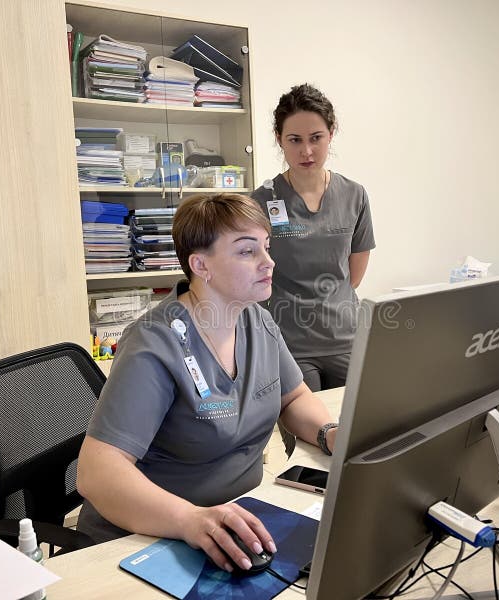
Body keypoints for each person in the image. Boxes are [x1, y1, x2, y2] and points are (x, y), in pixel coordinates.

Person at [76, 193, 338, 574]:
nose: (269, 262)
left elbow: (293, 396)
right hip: (150, 539)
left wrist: (330, 433)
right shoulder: (154, 342)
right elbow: (97, 473)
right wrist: (190, 520)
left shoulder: (257, 322)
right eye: (247, 251)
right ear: (201, 265)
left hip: (239, 523)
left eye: (266, 247)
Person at [251, 83, 376, 394]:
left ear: (331, 133)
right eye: (295, 140)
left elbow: (354, 276)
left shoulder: (354, 195)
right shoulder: (261, 201)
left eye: (316, 138)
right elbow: (252, 272)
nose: (306, 151)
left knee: (353, 431)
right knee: (309, 433)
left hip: (346, 339)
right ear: (279, 139)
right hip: (288, 344)